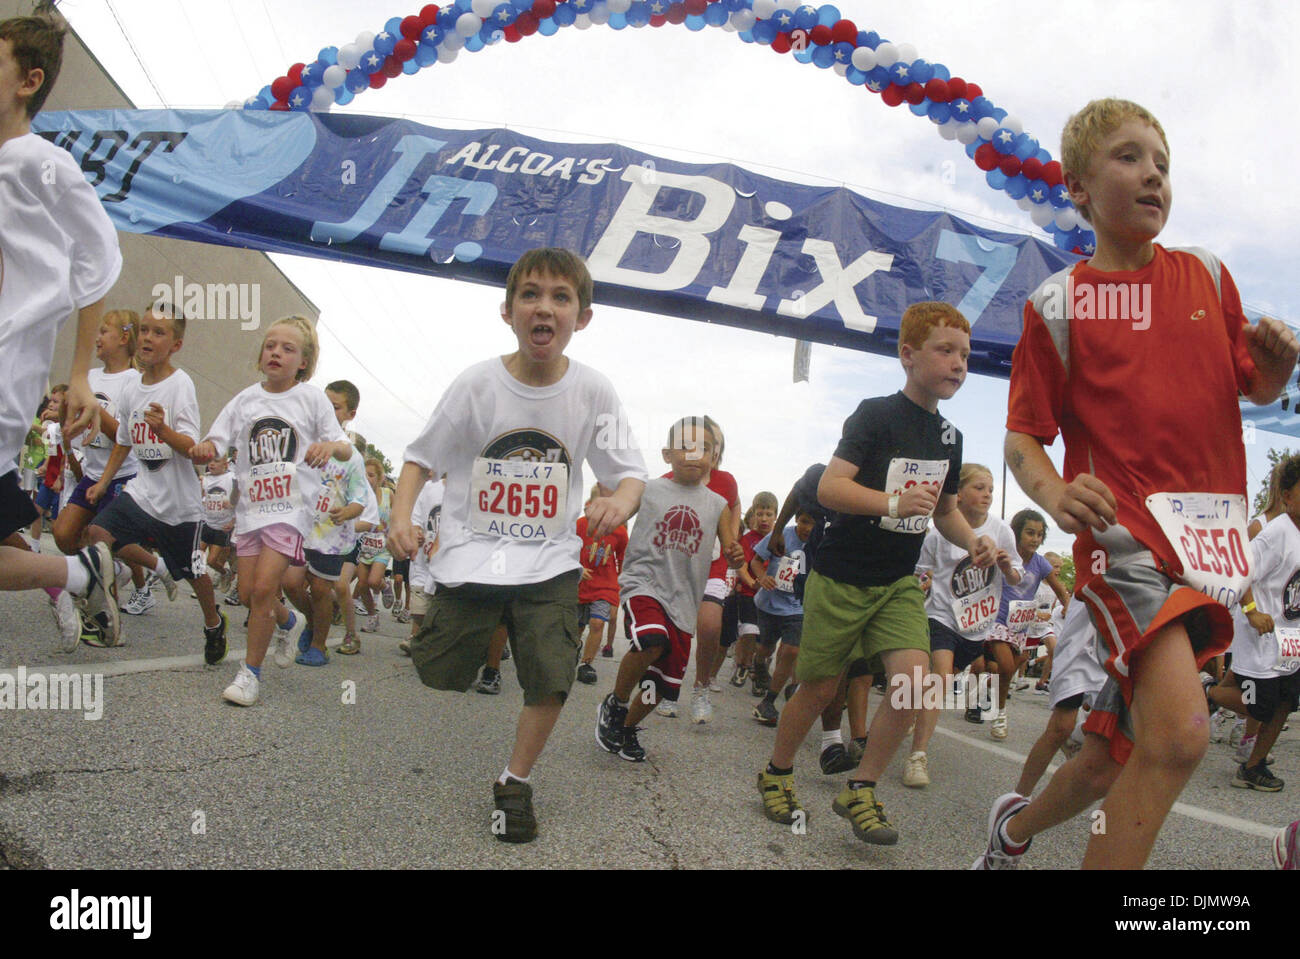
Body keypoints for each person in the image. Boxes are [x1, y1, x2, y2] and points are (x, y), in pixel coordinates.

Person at [981, 97, 1298, 870]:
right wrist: (1054, 494)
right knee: (1184, 732)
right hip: (1126, 545)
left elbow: (1250, 385)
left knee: (1111, 756)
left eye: (1162, 163)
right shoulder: (1055, 306)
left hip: (1211, 554)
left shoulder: (1209, 275)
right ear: (1079, 186)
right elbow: (1024, 434)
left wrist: (1277, 370)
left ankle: (1010, 833)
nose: (1152, 174)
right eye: (1129, 157)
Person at [388, 247, 647, 844]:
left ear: (581, 318)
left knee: (552, 675)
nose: (545, 307)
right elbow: (419, 458)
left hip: (550, 563)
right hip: (472, 556)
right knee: (438, 671)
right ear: (507, 311)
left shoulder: (594, 391)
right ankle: (466, 642)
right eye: (530, 294)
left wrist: (620, 501)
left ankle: (514, 781)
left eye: (561, 297)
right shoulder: (477, 384)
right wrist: (402, 514)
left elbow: (631, 471)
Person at [757, 300, 995, 846]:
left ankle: (860, 788)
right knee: (818, 689)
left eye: (964, 354)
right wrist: (891, 504)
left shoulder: (951, 439)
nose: (958, 363)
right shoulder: (875, 414)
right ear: (908, 356)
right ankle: (776, 772)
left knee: (912, 686)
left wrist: (973, 540)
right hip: (841, 578)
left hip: (896, 584)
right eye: (945, 350)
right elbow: (829, 488)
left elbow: (945, 511)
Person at [0, 13, 122, 645]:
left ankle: (76, 574)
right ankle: (77, 575)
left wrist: (78, 374)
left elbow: (99, 257)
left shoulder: (39, 163)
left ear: (29, 81)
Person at [190, 315, 351, 704]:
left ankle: (250, 674)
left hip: (290, 509)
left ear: (303, 363)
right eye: (270, 345)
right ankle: (289, 621)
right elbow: (218, 437)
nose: (276, 352)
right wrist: (205, 449)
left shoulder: (311, 398)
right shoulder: (246, 399)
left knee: (264, 589)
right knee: (247, 593)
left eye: (288, 348)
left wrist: (328, 447)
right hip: (250, 510)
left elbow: (344, 447)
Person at [595, 417, 740, 761]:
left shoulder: (717, 504)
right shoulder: (648, 489)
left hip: (684, 598)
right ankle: (615, 703)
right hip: (644, 583)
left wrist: (736, 553)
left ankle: (627, 728)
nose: (695, 454)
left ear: (713, 456)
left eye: (704, 448)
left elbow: (731, 549)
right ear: (666, 454)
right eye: (686, 446)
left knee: (663, 683)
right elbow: (619, 507)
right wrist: (605, 510)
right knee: (651, 639)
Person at [87, 303, 228, 656]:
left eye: (159, 332)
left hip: (179, 506)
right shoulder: (132, 386)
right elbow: (123, 440)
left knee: (194, 574)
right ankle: (104, 615)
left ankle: (213, 623)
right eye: (145, 329)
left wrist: (163, 429)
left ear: (176, 345)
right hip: (142, 492)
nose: (148, 337)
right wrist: (104, 483)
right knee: (98, 533)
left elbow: (190, 446)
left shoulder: (180, 385)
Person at [909, 464, 1022, 785]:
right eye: (980, 488)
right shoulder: (938, 534)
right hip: (941, 615)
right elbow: (920, 571)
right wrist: (922, 582)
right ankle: (918, 757)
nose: (987, 494)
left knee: (940, 682)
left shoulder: (1001, 531)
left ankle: (912, 712)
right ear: (958, 494)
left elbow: (1017, 575)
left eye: (991, 489)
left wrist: (1006, 567)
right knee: (941, 676)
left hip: (977, 624)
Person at [1222, 455, 1300, 792]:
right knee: (1260, 703)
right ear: (1286, 495)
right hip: (1259, 631)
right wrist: (1252, 611)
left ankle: (1253, 767)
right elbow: (1240, 570)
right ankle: (1207, 694)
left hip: (1289, 635)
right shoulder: (1276, 533)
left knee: (1286, 701)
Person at [297, 383, 373, 666]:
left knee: (319, 589)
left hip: (331, 537)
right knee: (291, 583)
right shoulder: (305, 440)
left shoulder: (351, 456)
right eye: (323, 404)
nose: (327, 412)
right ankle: (311, 621)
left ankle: (318, 646)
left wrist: (347, 512)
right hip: (301, 528)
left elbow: (360, 499)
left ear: (350, 414)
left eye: (335, 407)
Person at [674, 416, 741, 724]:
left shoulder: (726, 481)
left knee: (711, 625)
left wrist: (732, 537)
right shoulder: (670, 477)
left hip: (713, 563)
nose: (705, 452)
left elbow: (734, 503)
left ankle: (700, 687)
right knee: (675, 631)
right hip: (675, 566)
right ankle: (666, 687)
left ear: (718, 452)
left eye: (713, 446)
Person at [982, 510, 1070, 740]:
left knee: (1005, 668)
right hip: (995, 621)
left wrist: (1068, 606)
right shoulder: (1005, 556)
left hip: (1020, 627)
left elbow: (1060, 589)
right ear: (1016, 533)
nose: (1035, 539)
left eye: (1040, 534)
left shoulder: (1040, 563)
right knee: (1006, 667)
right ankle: (1000, 714)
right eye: (1030, 533)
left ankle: (992, 700)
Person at [749, 508, 818, 726]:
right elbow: (755, 561)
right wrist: (762, 577)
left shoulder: (821, 542)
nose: (808, 528)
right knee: (766, 648)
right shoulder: (781, 535)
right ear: (797, 519)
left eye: (813, 524)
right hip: (769, 603)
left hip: (797, 607)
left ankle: (768, 702)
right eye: (805, 521)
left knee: (791, 651)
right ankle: (758, 662)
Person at [575, 483, 628, 685]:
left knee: (597, 623)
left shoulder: (620, 531)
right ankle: (577, 646)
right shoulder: (580, 525)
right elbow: (567, 549)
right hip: (580, 584)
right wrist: (577, 568)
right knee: (576, 627)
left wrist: (622, 580)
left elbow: (623, 556)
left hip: (605, 585)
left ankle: (586, 664)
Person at [353, 457, 392, 639]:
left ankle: (385, 586)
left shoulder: (387, 494)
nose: (367, 478)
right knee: (361, 585)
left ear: (379, 478)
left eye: (371, 475)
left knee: (374, 581)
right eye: (364, 475)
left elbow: (399, 513)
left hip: (382, 546)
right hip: (365, 545)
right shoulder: (359, 496)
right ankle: (372, 615)